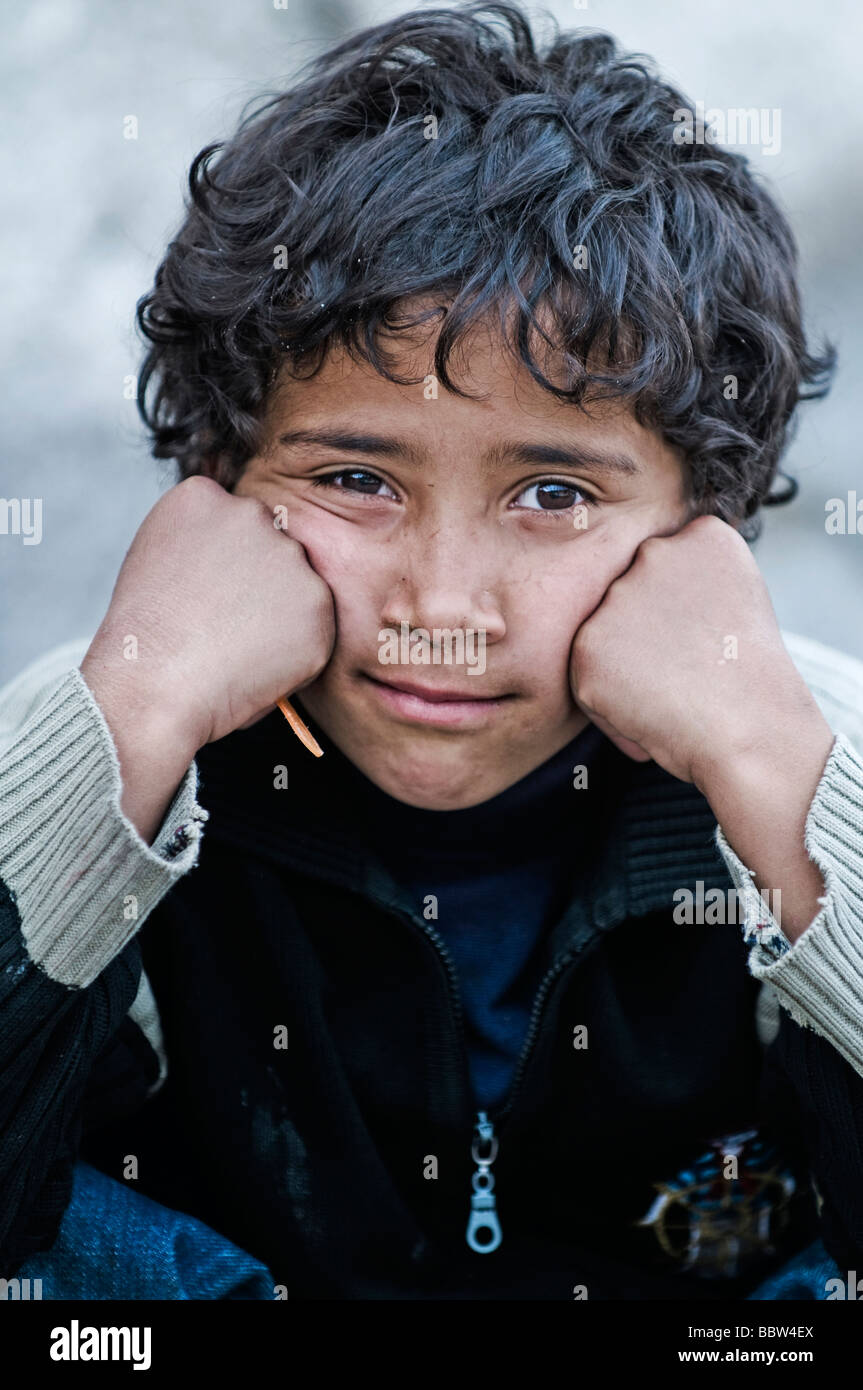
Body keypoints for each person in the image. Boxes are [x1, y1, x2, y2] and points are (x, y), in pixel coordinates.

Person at [2, 2, 862, 1300]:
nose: (445, 602)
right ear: (218, 483)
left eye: (554, 495)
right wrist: (128, 714)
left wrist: (781, 781)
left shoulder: (813, 754)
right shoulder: (112, 750)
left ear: (704, 521)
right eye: (357, 476)